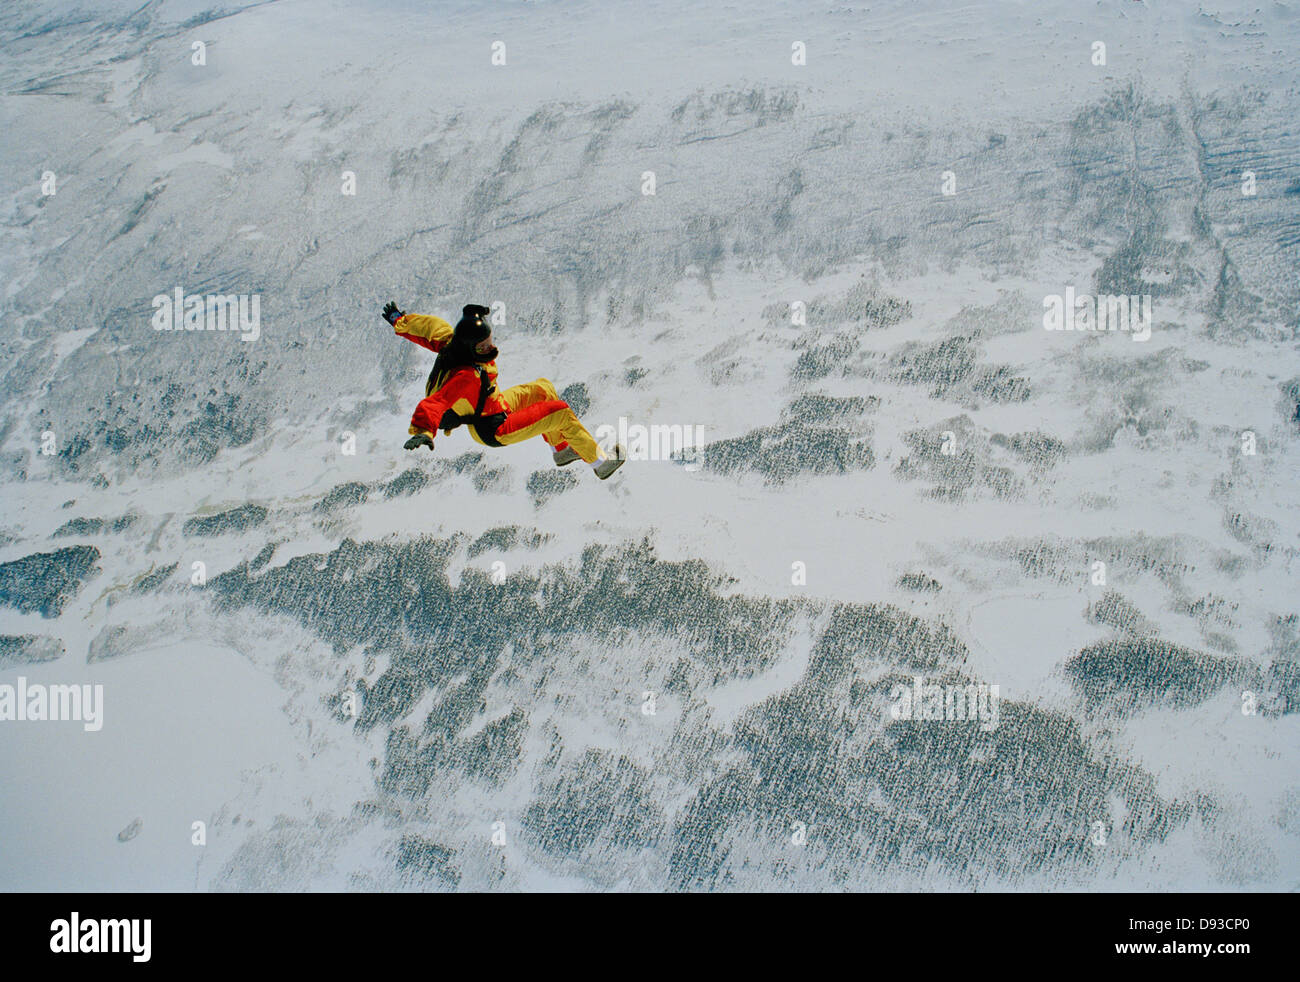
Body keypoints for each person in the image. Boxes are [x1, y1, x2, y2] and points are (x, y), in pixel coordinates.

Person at [382, 301, 625, 479]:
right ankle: (599, 464)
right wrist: (425, 431)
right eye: (484, 346)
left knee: (543, 389)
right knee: (559, 412)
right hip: (494, 429)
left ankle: (561, 450)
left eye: (490, 340)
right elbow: (436, 402)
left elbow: (428, 328)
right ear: (469, 349)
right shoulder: (466, 377)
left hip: (496, 404)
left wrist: (399, 319)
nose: (491, 347)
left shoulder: (451, 342)